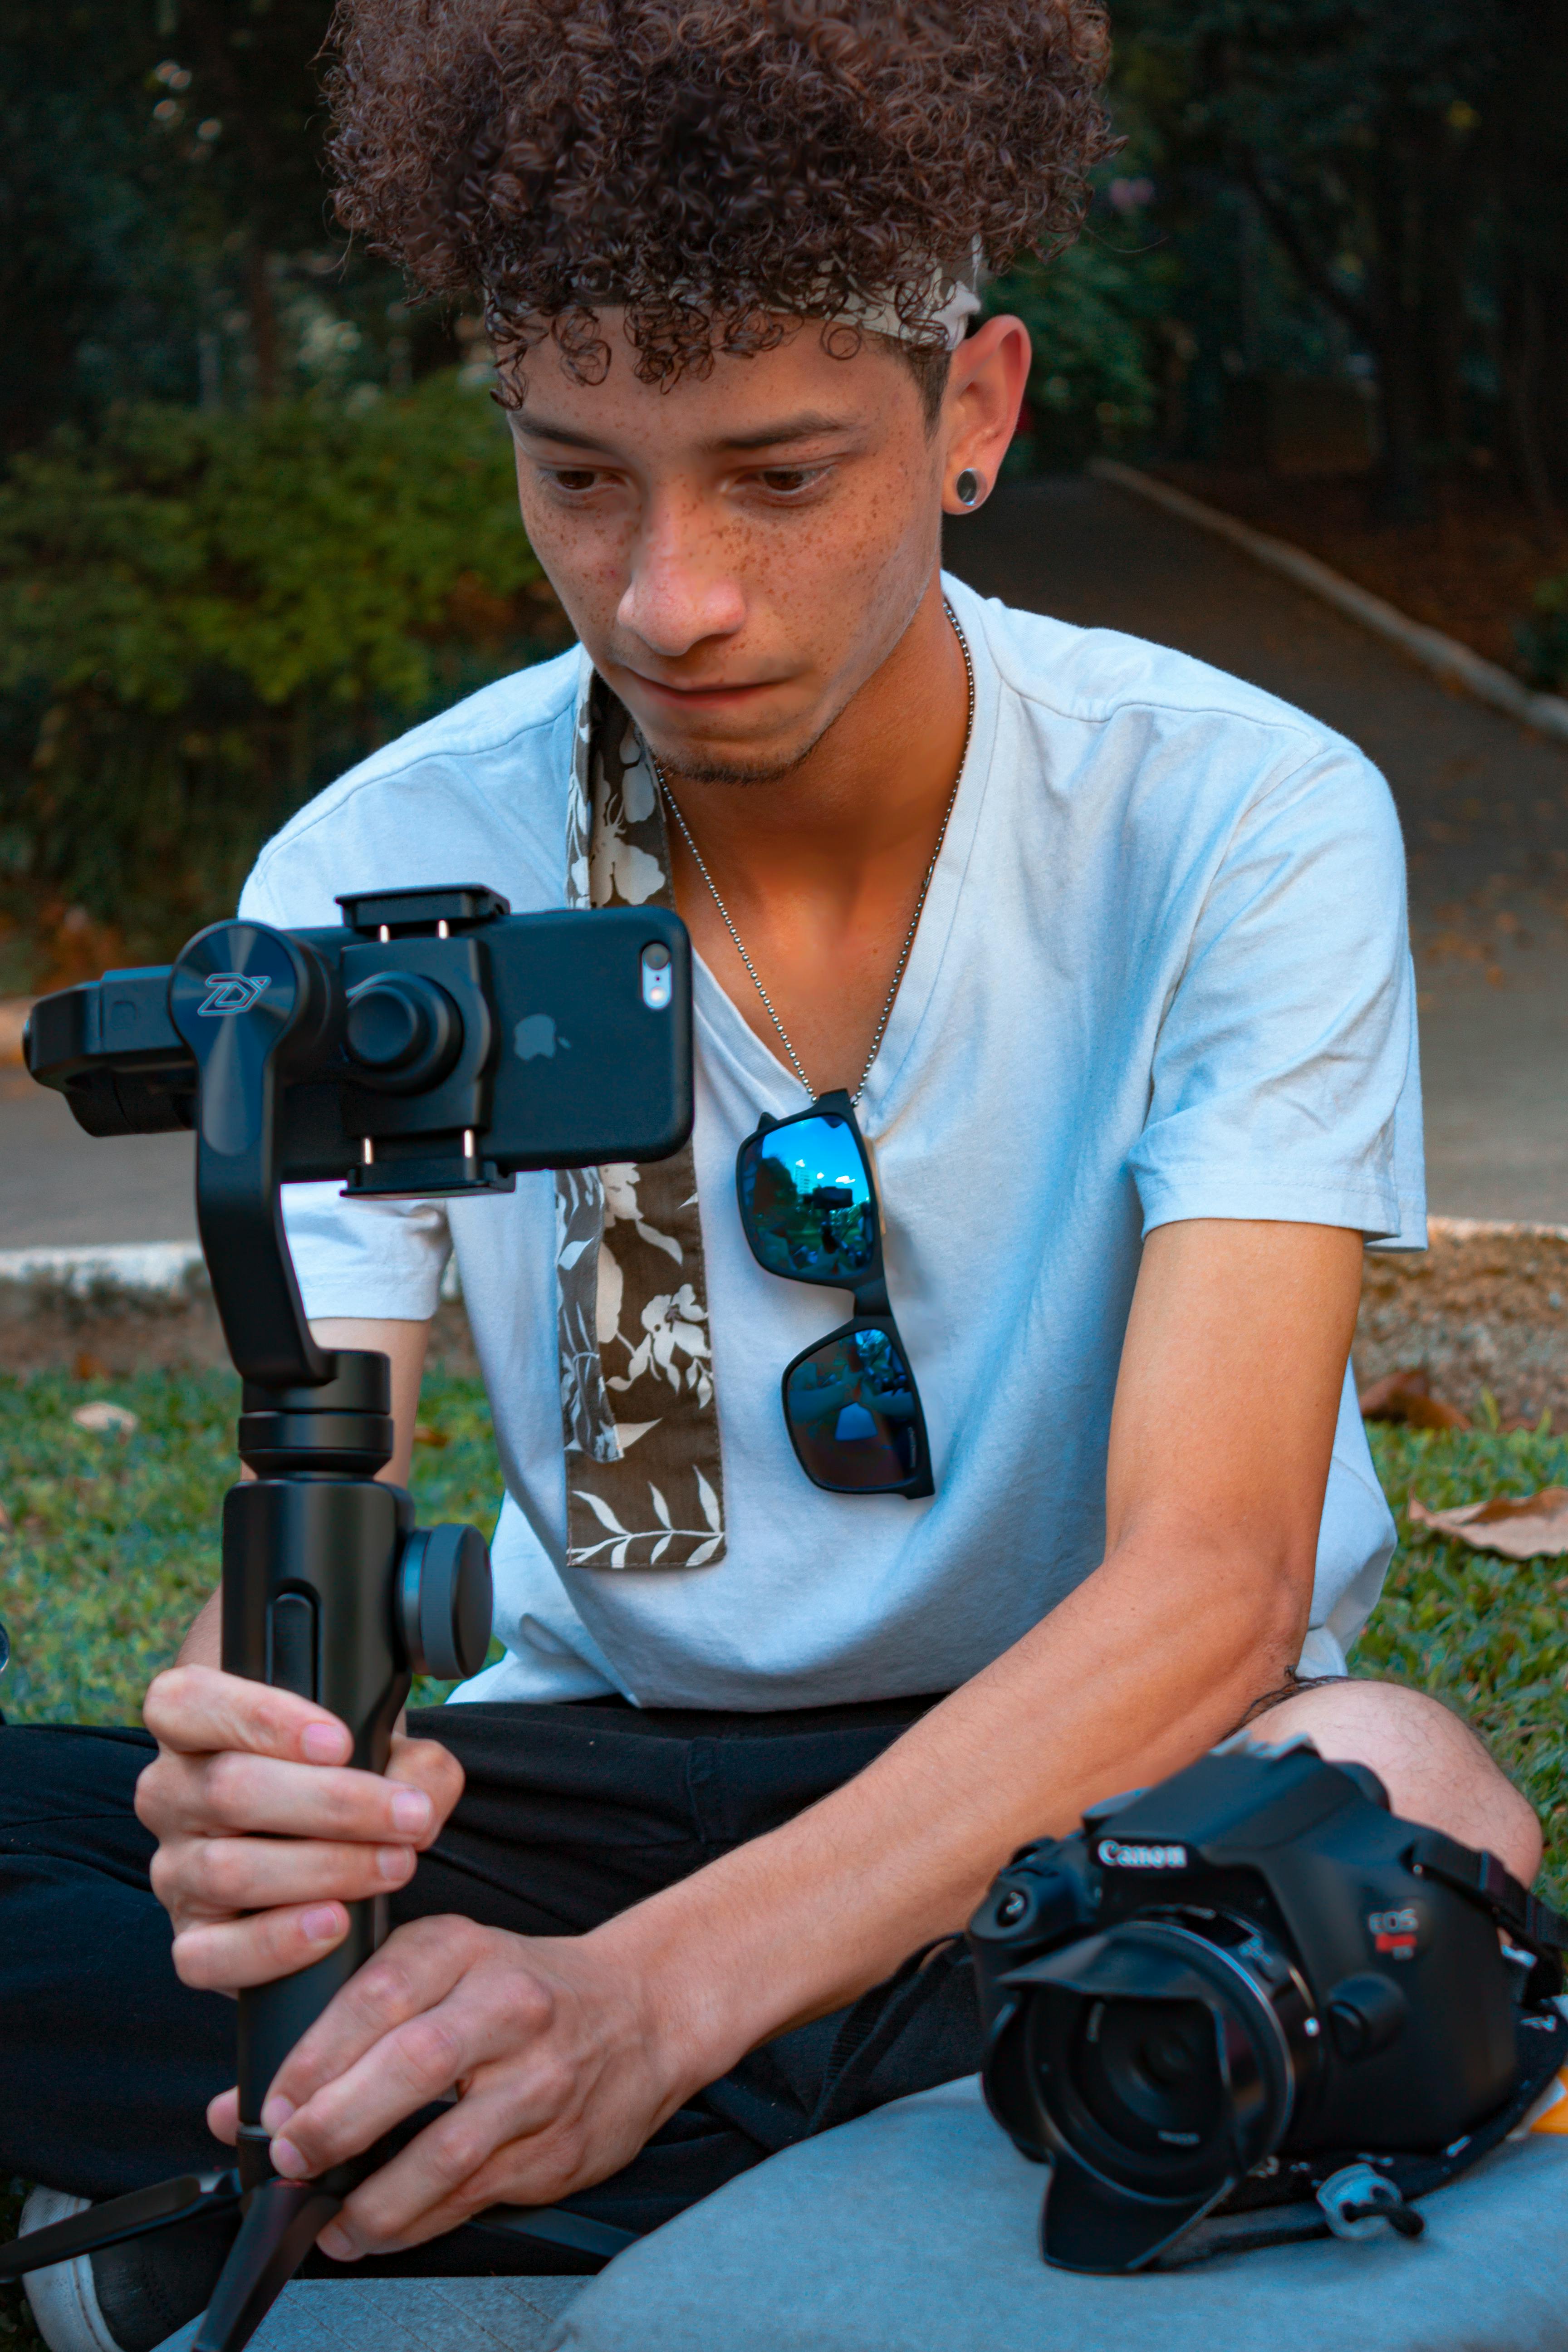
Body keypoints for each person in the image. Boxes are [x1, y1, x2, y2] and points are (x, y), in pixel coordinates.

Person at [0, 3, 1542, 2346]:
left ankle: (383, 2155)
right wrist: (260, 1765)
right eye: (579, 477)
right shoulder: (382, 860)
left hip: (1077, 1788)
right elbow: (326, 1495)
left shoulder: (1236, 814)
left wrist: (644, 2006)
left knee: (1395, 1797)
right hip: (579, 1786)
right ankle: (811, 2146)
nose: (668, 598)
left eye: (779, 476)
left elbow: (1218, 1588)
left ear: (976, 414)